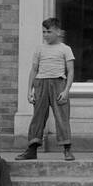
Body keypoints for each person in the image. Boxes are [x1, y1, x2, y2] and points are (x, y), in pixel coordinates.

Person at [16, 18, 75, 161]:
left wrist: (66, 90)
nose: (46, 35)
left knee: (62, 117)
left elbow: (71, 71)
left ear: (58, 32)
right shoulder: (39, 49)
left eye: (49, 31)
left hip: (58, 84)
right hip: (41, 84)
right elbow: (34, 69)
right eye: (43, 32)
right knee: (38, 117)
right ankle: (32, 149)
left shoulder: (65, 49)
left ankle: (67, 149)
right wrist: (29, 91)